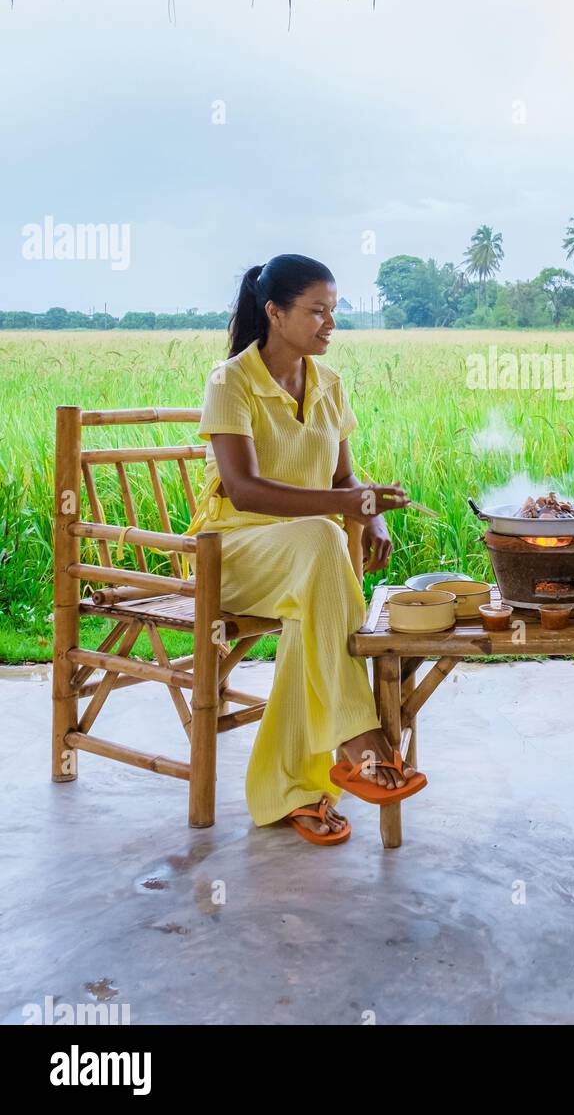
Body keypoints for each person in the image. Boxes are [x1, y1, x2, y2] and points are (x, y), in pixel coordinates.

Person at [186, 253, 424, 845]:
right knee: (322, 537)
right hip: (231, 553)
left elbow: (344, 483)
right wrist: (341, 508)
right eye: (317, 311)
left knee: (310, 612)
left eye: (333, 311)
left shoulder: (330, 385)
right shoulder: (231, 381)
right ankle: (358, 740)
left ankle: (295, 794)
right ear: (275, 312)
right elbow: (242, 488)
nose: (330, 324)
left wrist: (371, 518)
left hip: (304, 562)